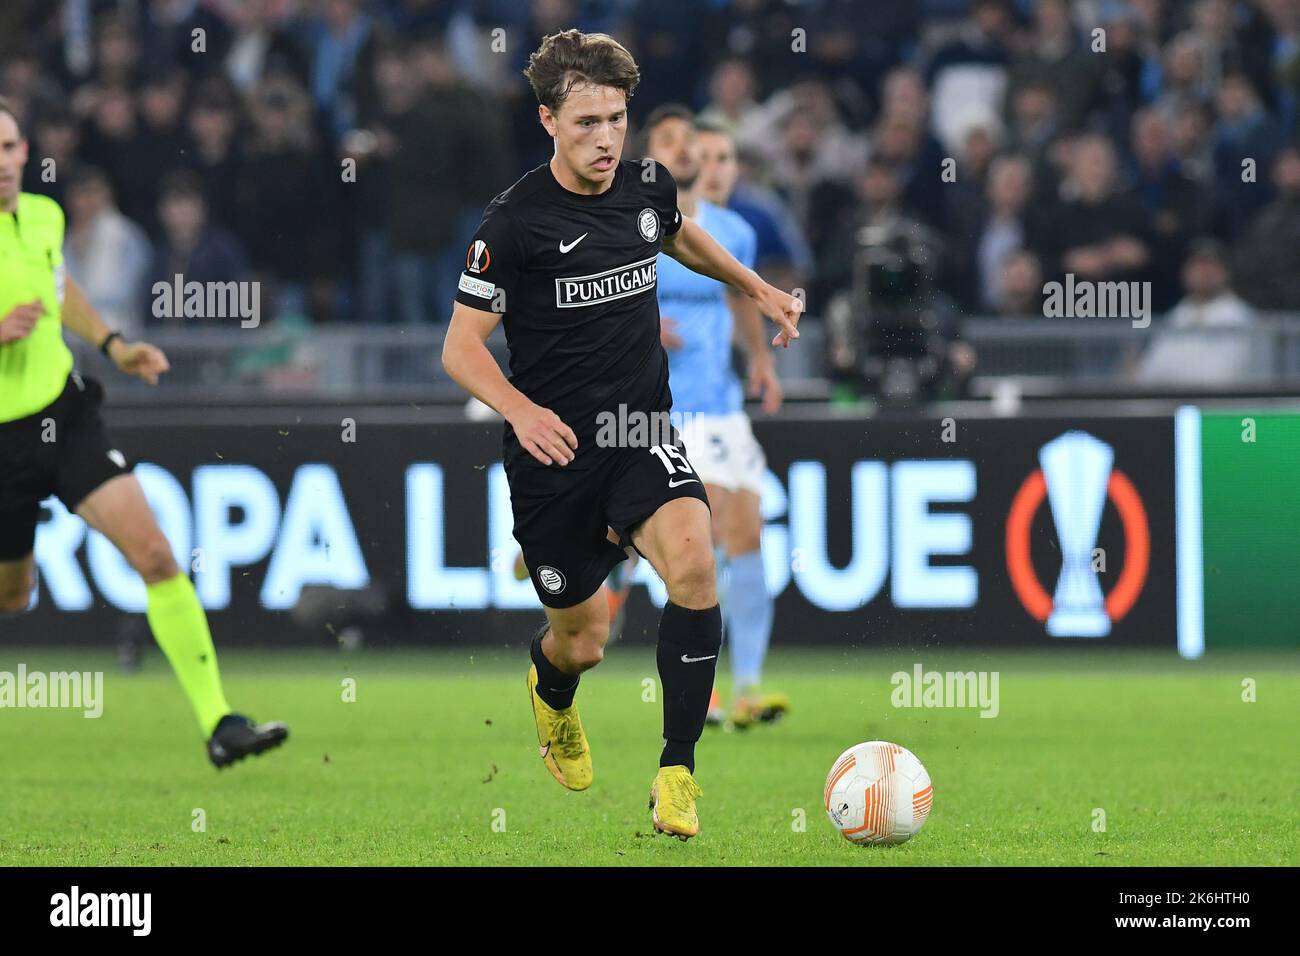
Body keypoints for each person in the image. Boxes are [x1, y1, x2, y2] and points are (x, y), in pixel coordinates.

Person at [441, 31, 801, 840]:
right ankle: (551, 687)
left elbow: (675, 234)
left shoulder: (645, 185)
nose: (606, 139)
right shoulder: (514, 223)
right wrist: (521, 412)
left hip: (641, 430)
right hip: (554, 453)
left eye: (617, 119)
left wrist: (759, 287)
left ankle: (677, 773)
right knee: (586, 639)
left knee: (696, 564)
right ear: (547, 121)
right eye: (586, 124)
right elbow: (459, 348)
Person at [0, 98, 288, 769]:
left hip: (62, 416)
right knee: (14, 596)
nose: (5, 163)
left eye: (11, 147)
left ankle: (220, 721)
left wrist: (114, 342)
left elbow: (60, 286)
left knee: (156, 554)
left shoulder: (44, 216)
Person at [642, 106, 789, 729]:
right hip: (663, 408)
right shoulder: (641, 226)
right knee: (697, 543)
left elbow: (740, 300)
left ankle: (746, 687)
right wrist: (645, 326)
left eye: (724, 156)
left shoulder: (734, 231)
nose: (712, 166)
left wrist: (760, 361)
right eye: (705, 153)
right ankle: (704, 689)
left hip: (722, 405)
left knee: (745, 533)